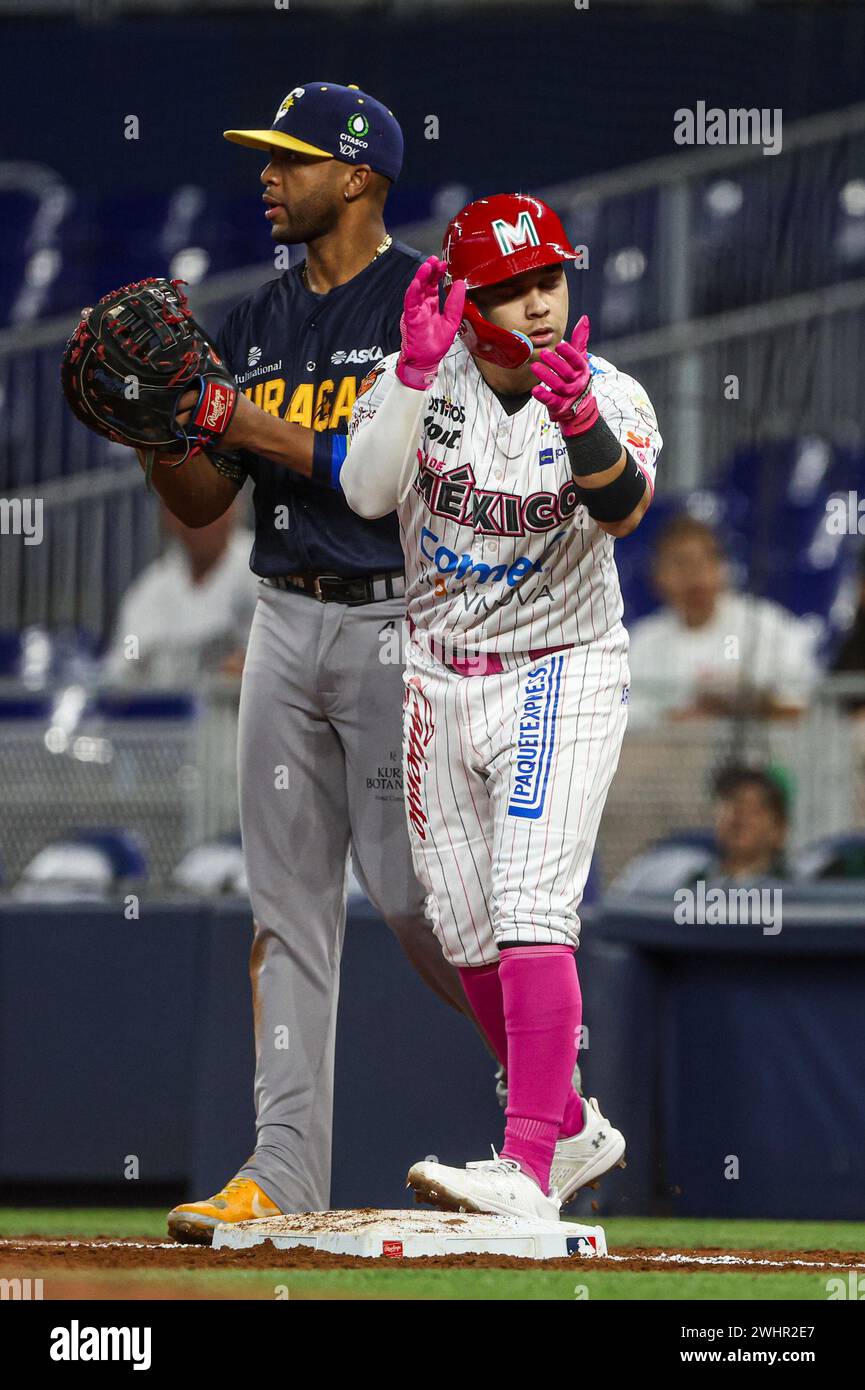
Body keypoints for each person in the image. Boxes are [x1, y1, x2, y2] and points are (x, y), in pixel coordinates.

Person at [153, 81, 483, 1243]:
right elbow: (205, 501)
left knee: (411, 897)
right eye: (265, 156)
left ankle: (550, 1096)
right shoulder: (253, 317)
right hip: (283, 617)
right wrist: (161, 427)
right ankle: (281, 1173)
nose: (266, 174)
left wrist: (234, 420)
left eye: (289, 158)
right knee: (285, 916)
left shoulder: (426, 306)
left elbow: (381, 477)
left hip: (401, 617)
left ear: (356, 176)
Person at [341, 193, 661, 1219]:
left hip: (562, 668)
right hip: (438, 674)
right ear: (461, 297)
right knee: (465, 925)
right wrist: (411, 372)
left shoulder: (609, 390)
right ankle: (568, 1127)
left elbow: (622, 509)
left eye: (547, 280)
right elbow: (362, 493)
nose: (533, 304)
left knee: (531, 906)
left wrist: (578, 419)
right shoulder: (417, 382)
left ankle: (525, 1167)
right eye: (507, 288)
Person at [627, 515, 818, 727]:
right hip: (670, 755)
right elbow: (627, 721)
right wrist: (679, 719)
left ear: (722, 568)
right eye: (681, 564)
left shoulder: (763, 623)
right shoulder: (643, 642)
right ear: (659, 576)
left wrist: (749, 702)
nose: (694, 576)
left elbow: (801, 705)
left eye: (703, 562)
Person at [105, 503, 256, 686]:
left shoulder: (262, 569)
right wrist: (132, 662)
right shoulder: (150, 590)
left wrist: (250, 664)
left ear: (232, 509)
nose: (198, 521)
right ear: (169, 518)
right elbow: (127, 656)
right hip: (168, 709)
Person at [697, 766, 790, 884]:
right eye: (730, 806)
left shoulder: (798, 891)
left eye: (753, 809)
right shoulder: (693, 885)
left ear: (779, 829)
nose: (739, 818)